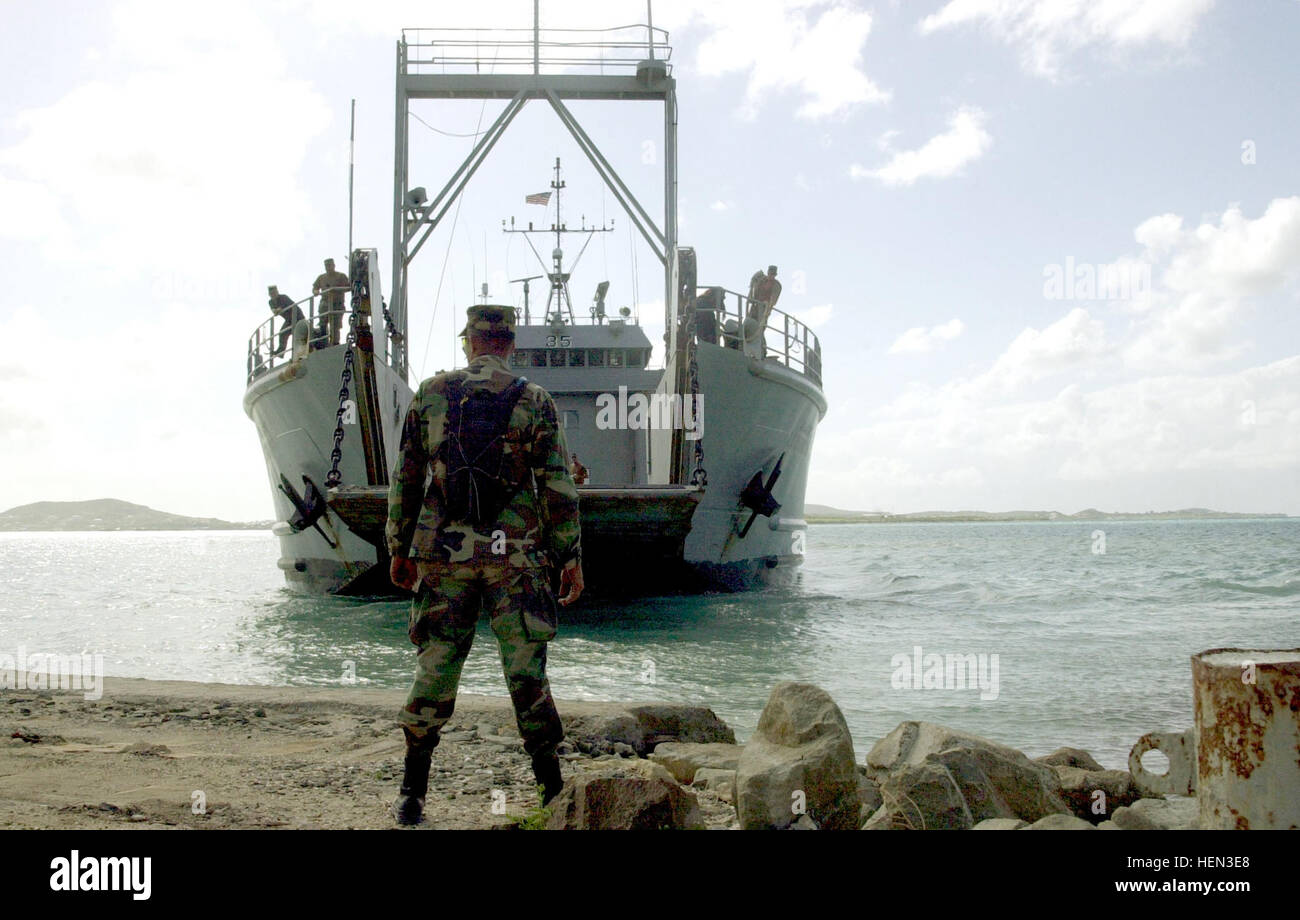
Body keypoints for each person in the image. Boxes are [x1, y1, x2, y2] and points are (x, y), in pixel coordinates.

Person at [386, 304, 584, 826]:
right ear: (509, 345)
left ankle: (412, 793)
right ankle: (550, 788)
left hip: (443, 556)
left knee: (437, 664)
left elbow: (405, 480)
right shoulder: (535, 399)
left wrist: (398, 548)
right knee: (525, 670)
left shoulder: (430, 393)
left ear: (469, 342)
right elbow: (557, 486)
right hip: (514, 558)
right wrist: (570, 556)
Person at [312, 257, 350, 345]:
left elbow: (349, 287)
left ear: (334, 265)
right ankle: (323, 342)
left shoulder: (341, 276)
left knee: (335, 326)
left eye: (329, 265)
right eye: (326, 266)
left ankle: (335, 342)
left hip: (337, 304)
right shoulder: (321, 278)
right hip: (325, 303)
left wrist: (336, 290)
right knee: (323, 324)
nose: (328, 267)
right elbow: (315, 288)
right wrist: (316, 291)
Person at [745, 265, 782, 357]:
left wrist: (768, 305)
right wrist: (753, 283)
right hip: (755, 307)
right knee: (749, 324)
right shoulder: (761, 281)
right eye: (770, 274)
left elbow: (774, 299)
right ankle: (745, 346)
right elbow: (754, 293)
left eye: (773, 274)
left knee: (760, 328)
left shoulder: (776, 285)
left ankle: (762, 350)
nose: (771, 276)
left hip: (764, 310)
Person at [267, 285, 304, 358]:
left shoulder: (283, 297)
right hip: (289, 319)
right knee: (283, 333)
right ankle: (281, 352)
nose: (273, 295)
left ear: (277, 292)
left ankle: (301, 352)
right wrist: (275, 311)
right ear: (269, 295)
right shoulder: (271, 302)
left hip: (297, 316)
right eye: (271, 294)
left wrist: (277, 310)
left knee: (297, 334)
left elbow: (280, 308)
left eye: (274, 293)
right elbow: (274, 311)